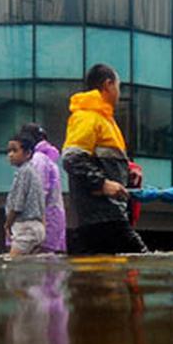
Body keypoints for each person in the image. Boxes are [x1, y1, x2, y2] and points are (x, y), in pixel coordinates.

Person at [61, 64, 147, 255]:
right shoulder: (87, 117)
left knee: (105, 278)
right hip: (100, 218)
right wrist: (103, 184)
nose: (118, 92)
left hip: (105, 217)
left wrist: (127, 173)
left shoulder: (105, 120)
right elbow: (71, 158)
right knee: (138, 264)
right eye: (118, 86)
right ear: (108, 84)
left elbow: (101, 160)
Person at [19, 123, 66, 254]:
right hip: (50, 223)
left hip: (41, 226)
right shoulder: (47, 160)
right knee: (49, 268)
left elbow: (36, 194)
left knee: (36, 268)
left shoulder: (38, 159)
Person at [4, 132, 46, 257]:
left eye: (15, 150)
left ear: (28, 153)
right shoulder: (33, 172)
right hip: (36, 228)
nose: (10, 155)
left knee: (13, 266)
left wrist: (7, 224)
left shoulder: (24, 172)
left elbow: (17, 204)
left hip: (26, 228)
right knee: (29, 270)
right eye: (9, 151)